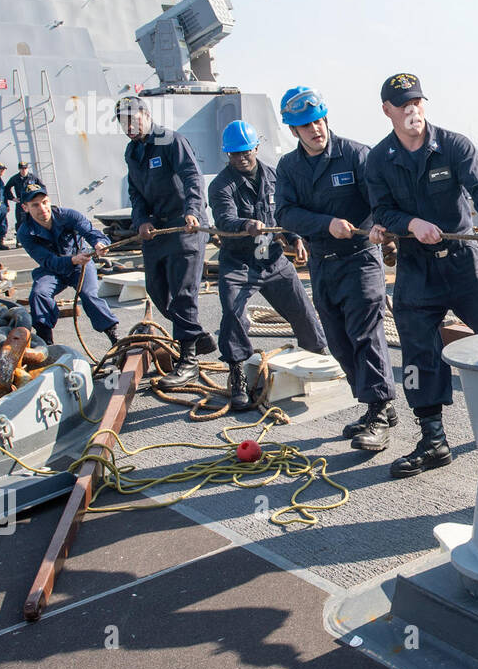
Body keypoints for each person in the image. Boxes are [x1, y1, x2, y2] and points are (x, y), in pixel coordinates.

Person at [365, 73, 478, 478]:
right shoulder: (378, 159)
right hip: (417, 268)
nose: (412, 110)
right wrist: (411, 223)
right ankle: (433, 440)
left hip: (464, 264)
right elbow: (381, 210)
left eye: (417, 102)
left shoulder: (454, 146)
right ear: (387, 111)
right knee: (418, 356)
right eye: (403, 105)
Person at [274, 87, 396, 446]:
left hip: (360, 260)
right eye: (306, 125)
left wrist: (382, 229)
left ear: (326, 119)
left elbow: (381, 200)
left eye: (318, 121)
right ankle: (378, 406)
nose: (315, 129)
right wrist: (326, 224)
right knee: (339, 341)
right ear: (293, 131)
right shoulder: (289, 167)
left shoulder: (356, 155)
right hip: (322, 264)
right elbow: (285, 213)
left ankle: (379, 411)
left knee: (365, 334)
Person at [209, 120, 328, 411]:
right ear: (228, 154)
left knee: (302, 309)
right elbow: (224, 219)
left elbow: (286, 214)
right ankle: (237, 373)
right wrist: (245, 224)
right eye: (234, 154)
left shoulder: (275, 176)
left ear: (255, 148)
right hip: (239, 263)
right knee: (233, 313)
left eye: (245, 151)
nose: (241, 157)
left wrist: (295, 238)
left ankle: (317, 357)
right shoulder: (220, 186)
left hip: (273, 260)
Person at [118, 95, 212, 388]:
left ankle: (189, 361)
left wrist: (193, 210)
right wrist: (141, 220)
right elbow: (136, 193)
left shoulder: (171, 141)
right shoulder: (132, 152)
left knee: (183, 292)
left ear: (146, 116)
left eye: (132, 119)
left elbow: (192, 178)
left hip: (184, 225)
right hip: (157, 229)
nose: (128, 126)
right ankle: (195, 335)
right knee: (156, 288)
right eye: (122, 122)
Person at [17, 189, 120, 349]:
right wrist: (71, 260)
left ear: (49, 201)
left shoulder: (68, 216)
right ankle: (46, 341)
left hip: (81, 265)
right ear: (25, 208)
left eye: (44, 202)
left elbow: (91, 232)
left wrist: (99, 243)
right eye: (35, 205)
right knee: (39, 294)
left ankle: (114, 336)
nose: (42, 208)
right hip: (52, 269)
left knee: (89, 294)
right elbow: (47, 260)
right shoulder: (25, 232)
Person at [5, 160, 45, 232]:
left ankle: (35, 236)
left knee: (34, 219)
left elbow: (42, 187)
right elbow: (7, 188)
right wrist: (12, 198)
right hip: (21, 203)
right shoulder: (15, 178)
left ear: (27, 168)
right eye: (21, 169)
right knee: (21, 221)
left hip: (31, 202)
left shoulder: (33, 177)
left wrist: (39, 199)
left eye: (25, 168)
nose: (23, 170)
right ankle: (20, 237)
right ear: (19, 169)